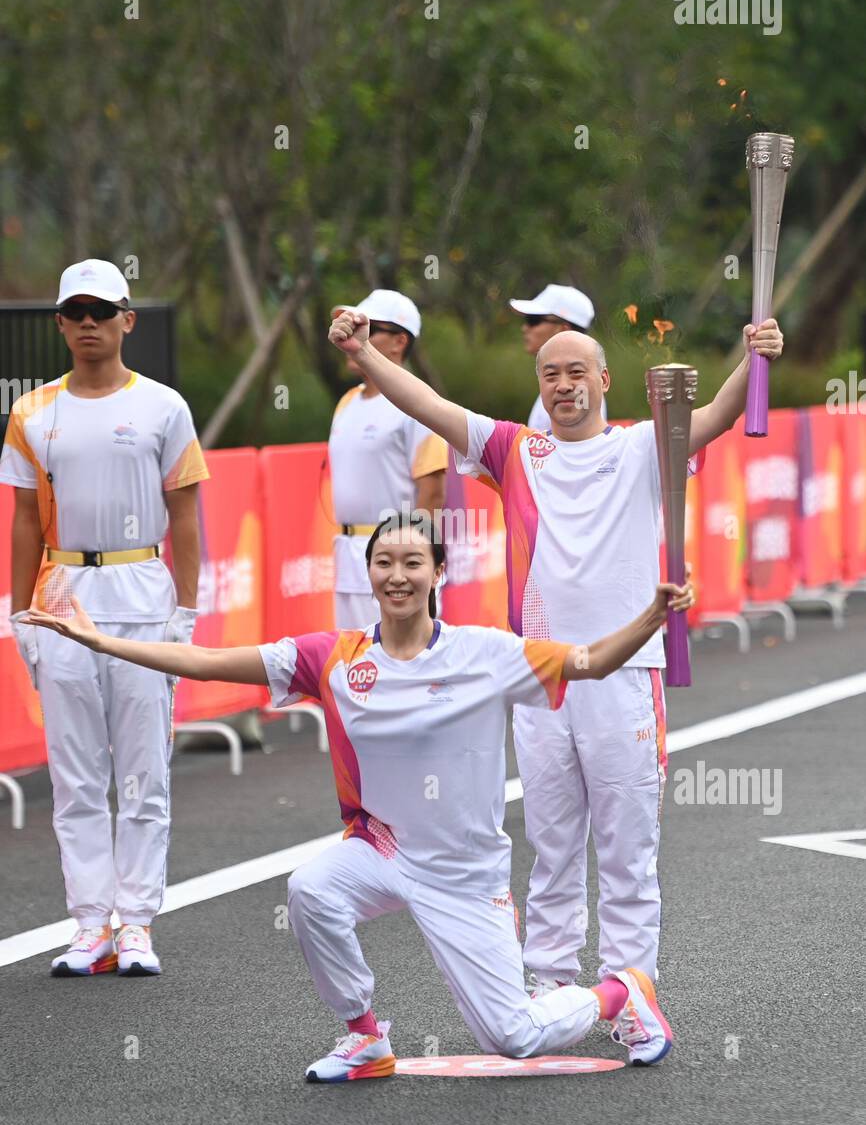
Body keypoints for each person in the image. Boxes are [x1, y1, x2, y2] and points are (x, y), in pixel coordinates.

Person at [24, 513, 694, 1078]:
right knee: (311, 890)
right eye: (382, 562)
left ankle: (622, 992)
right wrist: (99, 640)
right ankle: (366, 1036)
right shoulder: (334, 657)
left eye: (411, 562)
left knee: (513, 1036)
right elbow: (207, 661)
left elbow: (589, 662)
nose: (396, 575)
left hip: (464, 874)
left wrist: (650, 617)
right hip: (382, 850)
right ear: (368, 573)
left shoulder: (486, 654)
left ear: (438, 572)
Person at [327, 306, 784, 1051]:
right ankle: (549, 983)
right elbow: (428, 405)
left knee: (626, 845)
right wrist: (364, 357)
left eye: (578, 372)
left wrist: (754, 355)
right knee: (550, 839)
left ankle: (633, 988)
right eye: (552, 375)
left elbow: (716, 416)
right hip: (540, 675)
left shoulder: (645, 447)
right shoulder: (515, 452)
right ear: (541, 386)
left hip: (627, 672)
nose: (565, 384)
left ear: (604, 380)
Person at [1, 259, 208, 977]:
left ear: (128, 319)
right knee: (77, 770)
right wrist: (20, 611)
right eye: (75, 311)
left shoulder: (163, 407)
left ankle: (139, 923)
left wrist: (184, 612)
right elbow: (24, 517)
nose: (89, 322)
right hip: (61, 591)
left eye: (102, 309)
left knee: (143, 766)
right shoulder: (32, 412)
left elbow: (186, 515)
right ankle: (90, 923)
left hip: (140, 587)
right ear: (59, 323)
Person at [328, 289, 447, 627]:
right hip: (349, 552)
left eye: (368, 327)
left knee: (404, 663)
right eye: (348, 324)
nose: (351, 333)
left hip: (396, 555)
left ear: (399, 341)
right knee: (354, 662)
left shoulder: (419, 403)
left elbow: (433, 491)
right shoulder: (347, 402)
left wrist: (417, 560)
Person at [509, 283, 598, 430]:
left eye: (533, 321)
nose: (524, 328)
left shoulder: (578, 390)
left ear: (563, 330)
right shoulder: (562, 386)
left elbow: (579, 450)